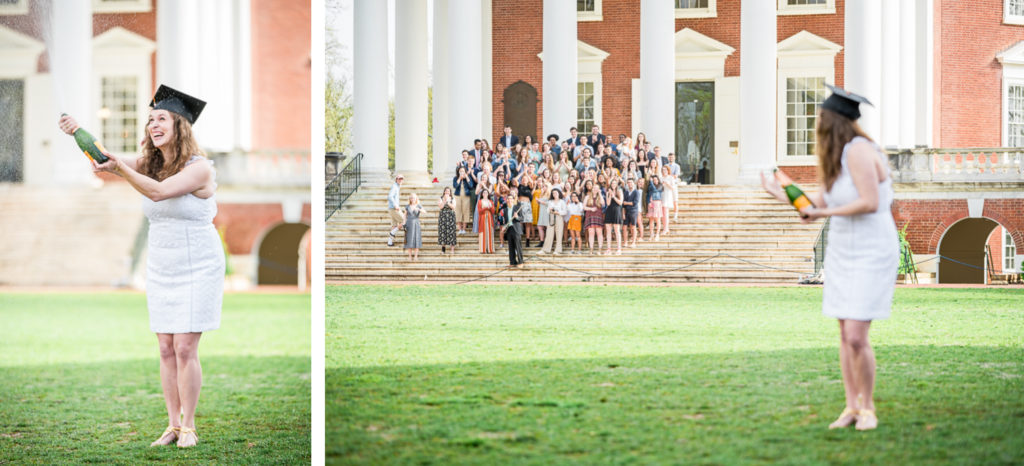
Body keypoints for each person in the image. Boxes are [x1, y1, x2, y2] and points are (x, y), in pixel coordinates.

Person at [60, 85, 222, 448]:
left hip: (198, 261)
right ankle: (172, 424)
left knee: (184, 347)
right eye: (150, 120)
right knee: (165, 346)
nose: (153, 124)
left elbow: (159, 192)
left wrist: (120, 169)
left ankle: (190, 425)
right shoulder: (150, 163)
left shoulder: (200, 168)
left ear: (179, 125)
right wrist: (78, 132)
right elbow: (104, 158)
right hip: (163, 261)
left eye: (161, 118)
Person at [761, 84, 897, 431]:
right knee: (842, 331)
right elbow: (820, 201)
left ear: (833, 121)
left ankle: (868, 408)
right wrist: (784, 196)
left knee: (856, 334)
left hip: (871, 249)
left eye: (820, 117)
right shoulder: (837, 157)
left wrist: (820, 215)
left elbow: (870, 202)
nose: (816, 123)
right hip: (843, 249)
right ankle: (850, 407)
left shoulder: (860, 150)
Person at [539, 188, 566, 255]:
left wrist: (558, 212)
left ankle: (558, 250)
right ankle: (545, 250)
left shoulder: (562, 202)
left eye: (556, 193)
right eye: (553, 193)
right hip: (551, 217)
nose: (555, 194)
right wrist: (551, 210)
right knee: (549, 233)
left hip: (559, 217)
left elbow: (565, 211)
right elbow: (547, 210)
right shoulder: (550, 201)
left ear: (559, 193)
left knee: (559, 234)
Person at [502, 193, 526, 268]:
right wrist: (504, 227)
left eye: (510, 199)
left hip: (516, 229)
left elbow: (522, 218)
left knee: (518, 246)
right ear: (506, 200)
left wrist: (517, 217)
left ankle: (521, 262)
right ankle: (512, 262)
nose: (509, 200)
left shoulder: (517, 208)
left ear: (513, 200)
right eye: (508, 199)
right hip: (509, 229)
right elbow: (506, 221)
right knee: (511, 246)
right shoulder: (505, 210)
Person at [603, 178, 624, 255]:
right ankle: (609, 249)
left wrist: (613, 196)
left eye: (615, 183)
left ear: (617, 184)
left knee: (617, 231)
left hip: (616, 210)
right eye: (612, 184)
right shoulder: (608, 191)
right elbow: (608, 203)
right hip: (609, 211)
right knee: (608, 231)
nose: (613, 185)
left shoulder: (619, 191)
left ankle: (619, 249)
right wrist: (608, 195)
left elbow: (620, 202)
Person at [453, 166, 475, 234]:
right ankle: (460, 229)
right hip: (458, 196)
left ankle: (464, 229)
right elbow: (455, 186)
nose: (462, 172)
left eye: (463, 171)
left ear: (465, 172)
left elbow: (471, 186)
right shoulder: (455, 178)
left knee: (466, 211)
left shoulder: (468, 178)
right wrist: (459, 178)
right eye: (460, 171)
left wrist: (467, 177)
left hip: (466, 196)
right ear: (458, 172)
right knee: (458, 211)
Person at [404, 193, 425, 261]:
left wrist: (419, 209)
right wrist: (404, 224)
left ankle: (416, 256)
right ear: (410, 199)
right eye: (411, 198)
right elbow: (404, 216)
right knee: (409, 240)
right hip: (409, 223)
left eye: (414, 198)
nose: (413, 199)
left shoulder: (418, 205)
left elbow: (424, 211)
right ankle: (409, 256)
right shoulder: (407, 206)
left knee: (417, 239)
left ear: (416, 198)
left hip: (416, 223)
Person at [584, 188, 605, 254]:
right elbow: (584, 207)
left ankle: (600, 249)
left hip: (598, 216)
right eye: (594, 188)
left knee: (599, 233)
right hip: (590, 216)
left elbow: (603, 204)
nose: (595, 190)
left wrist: (600, 194)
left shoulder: (600, 197)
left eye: (596, 189)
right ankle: (591, 249)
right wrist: (591, 209)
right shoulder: (587, 197)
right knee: (591, 233)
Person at [387, 174, 405, 246]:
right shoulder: (395, 187)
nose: (400, 180)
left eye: (402, 179)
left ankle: (390, 242)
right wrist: (395, 205)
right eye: (399, 179)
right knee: (405, 221)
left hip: (391, 209)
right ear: (396, 179)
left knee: (394, 225)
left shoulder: (397, 186)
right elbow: (390, 196)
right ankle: (392, 233)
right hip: (394, 208)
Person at [437, 187, 457, 254]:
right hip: (443, 216)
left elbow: (453, 207)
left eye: (448, 191)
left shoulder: (453, 199)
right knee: (443, 232)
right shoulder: (440, 198)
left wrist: (448, 202)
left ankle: (452, 249)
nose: (447, 192)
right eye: (446, 191)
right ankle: (443, 249)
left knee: (451, 232)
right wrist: (444, 201)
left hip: (451, 216)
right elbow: (440, 207)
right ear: (444, 192)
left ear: (450, 192)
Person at [623, 178, 641, 248]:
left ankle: (633, 243)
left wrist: (626, 203)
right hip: (626, 212)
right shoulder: (626, 192)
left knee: (633, 227)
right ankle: (625, 242)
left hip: (633, 211)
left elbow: (635, 203)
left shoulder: (636, 192)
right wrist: (623, 213)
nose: (629, 184)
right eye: (628, 182)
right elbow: (623, 204)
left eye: (631, 182)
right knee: (624, 227)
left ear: (634, 183)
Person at [647, 175, 664, 241]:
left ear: (658, 180)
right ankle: (651, 235)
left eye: (656, 180)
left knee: (657, 220)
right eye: (653, 180)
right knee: (651, 220)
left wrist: (651, 182)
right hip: (651, 203)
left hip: (657, 203)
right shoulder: (650, 186)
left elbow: (655, 190)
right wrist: (648, 202)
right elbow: (648, 194)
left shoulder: (660, 186)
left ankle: (657, 235)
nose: (655, 181)